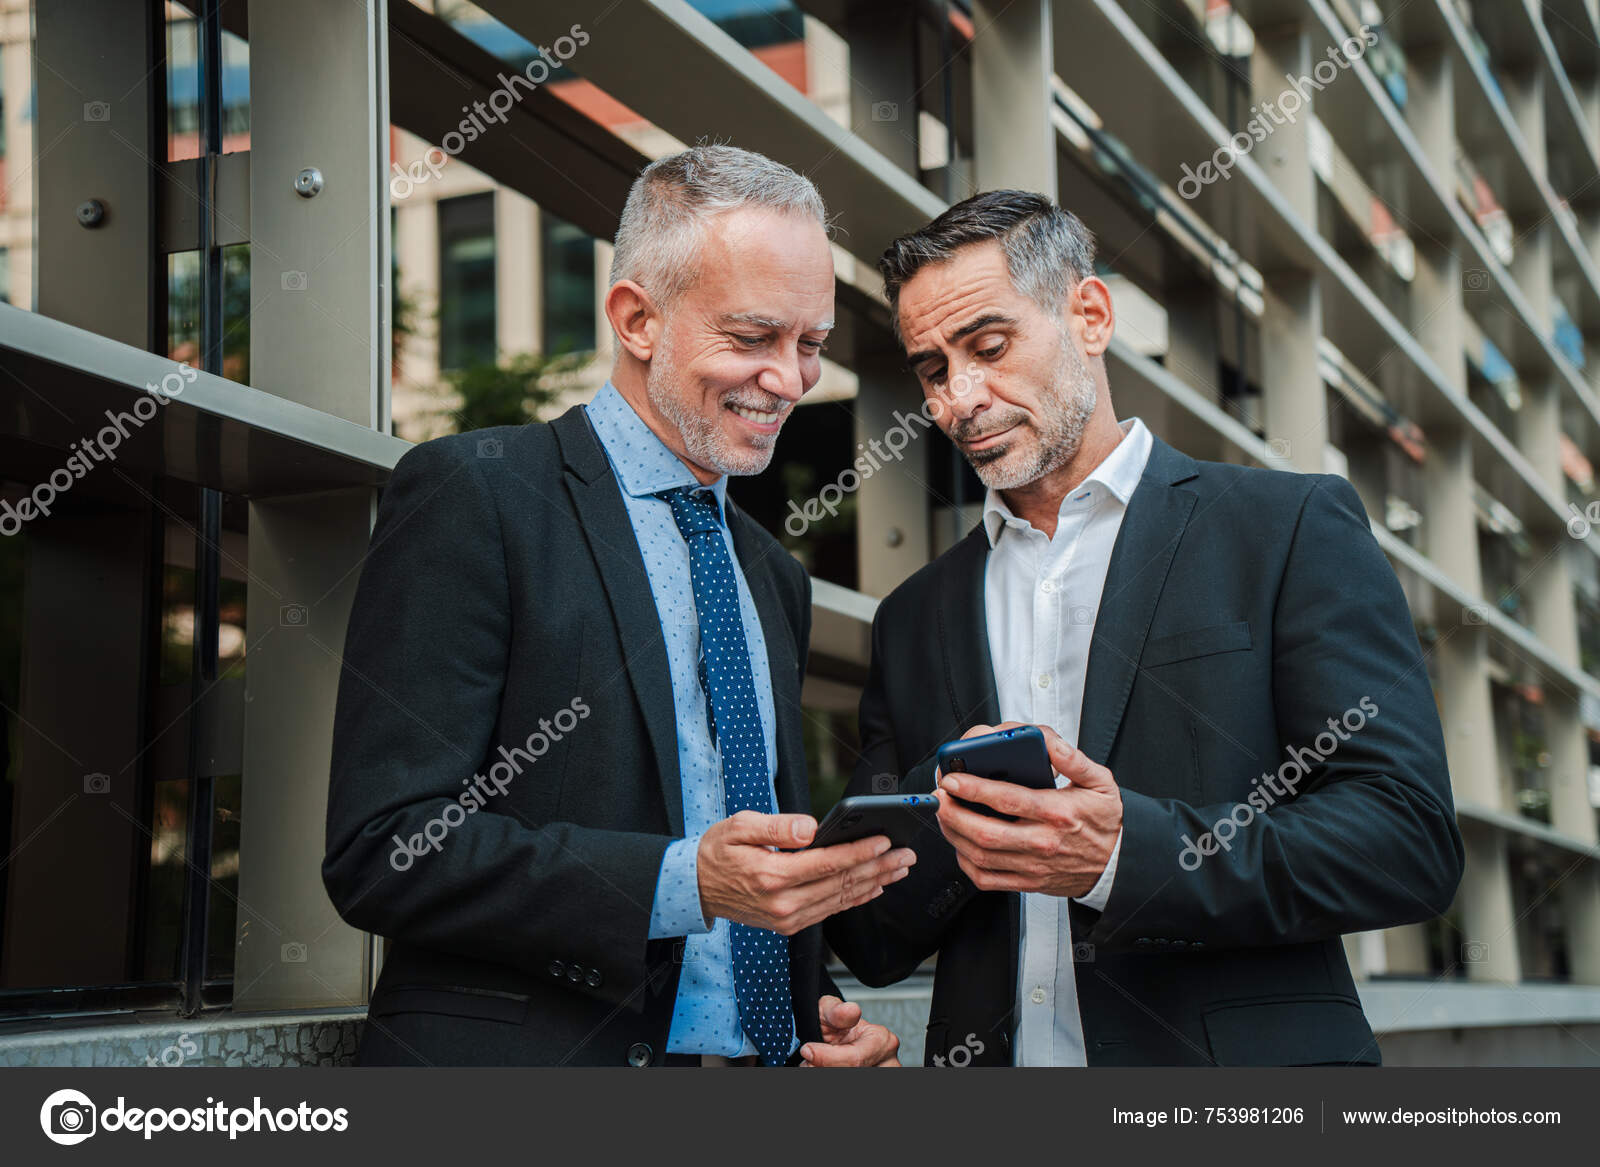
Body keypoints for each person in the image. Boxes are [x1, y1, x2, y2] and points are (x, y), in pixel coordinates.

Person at [825, 190, 1464, 1066]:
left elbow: (1407, 840)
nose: (960, 399)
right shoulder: (913, 616)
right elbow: (872, 935)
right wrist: (940, 832)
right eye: (933, 370)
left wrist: (1123, 854)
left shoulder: (1286, 528)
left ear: (1089, 315)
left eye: (989, 346)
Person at [324, 145, 911, 1067]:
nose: (793, 380)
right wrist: (686, 882)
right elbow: (383, 848)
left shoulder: (772, 576)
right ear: (637, 318)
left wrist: (816, 1010)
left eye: (811, 345)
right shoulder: (474, 497)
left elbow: (749, 865)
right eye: (754, 337)